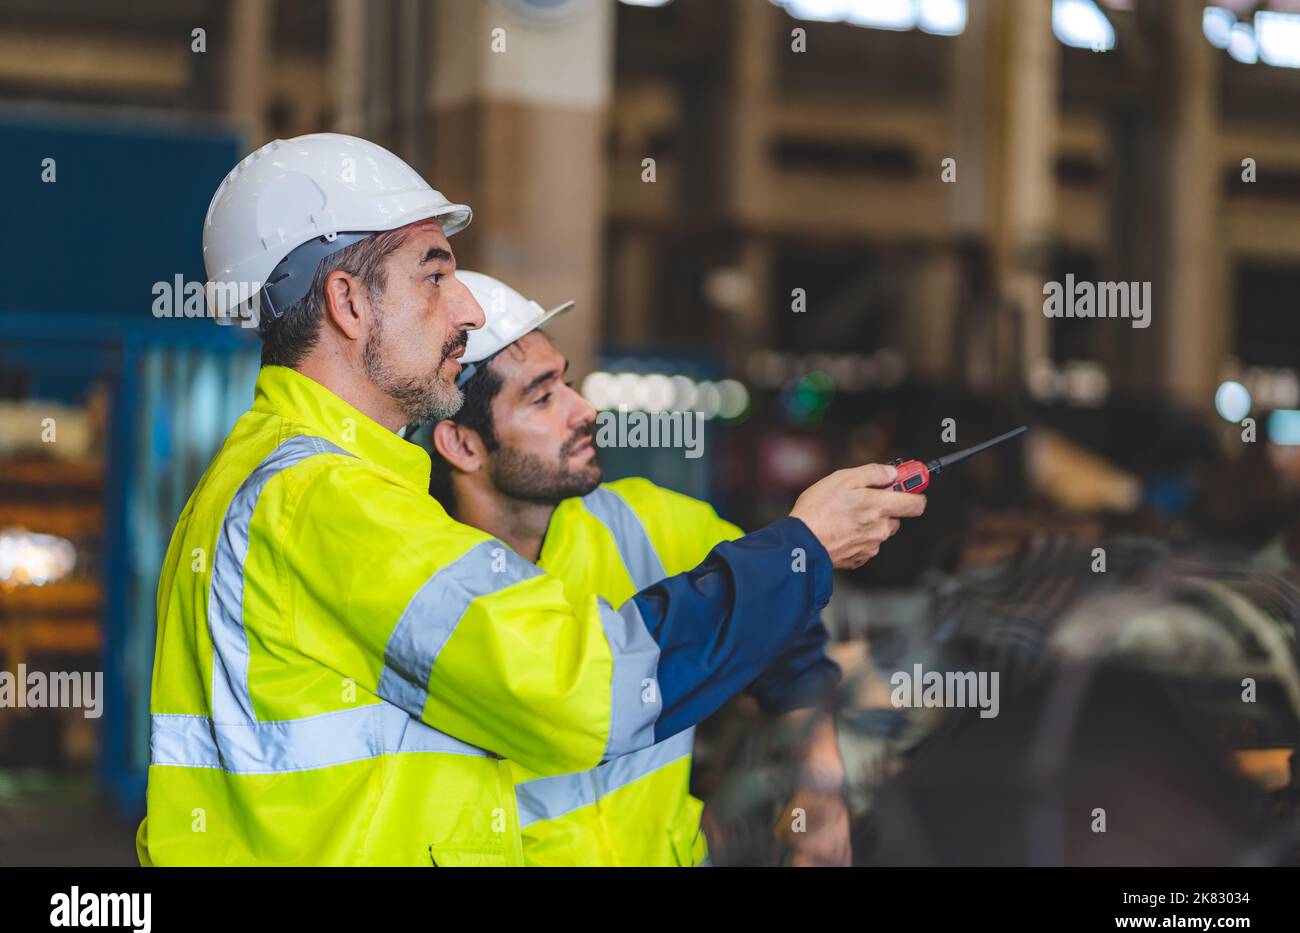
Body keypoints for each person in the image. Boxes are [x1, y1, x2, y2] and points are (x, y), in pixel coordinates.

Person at [138, 132, 925, 865]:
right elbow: (582, 690)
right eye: (435, 275)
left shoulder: (309, 481)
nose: (469, 309)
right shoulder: (322, 497)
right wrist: (805, 546)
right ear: (349, 303)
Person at [424, 271, 850, 865]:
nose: (584, 409)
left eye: (567, 382)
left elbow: (784, 619)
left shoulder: (648, 522)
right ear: (462, 445)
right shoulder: (420, 591)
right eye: (543, 397)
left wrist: (819, 786)